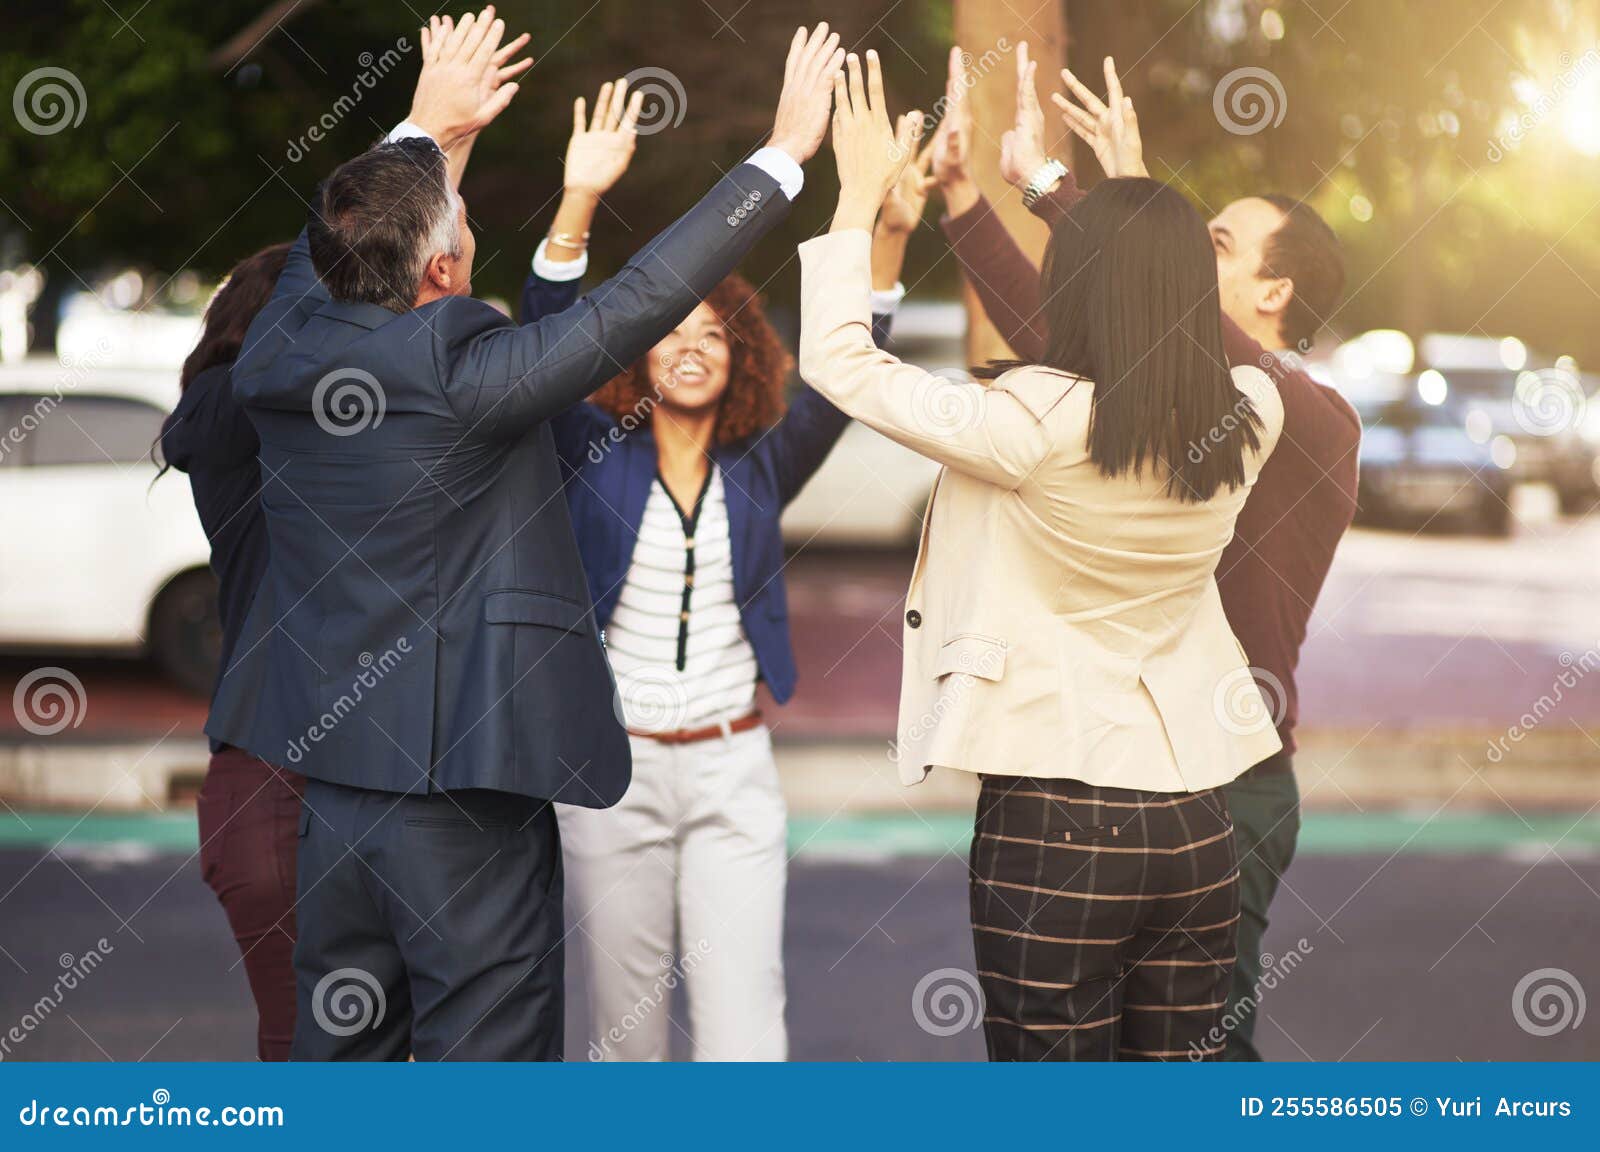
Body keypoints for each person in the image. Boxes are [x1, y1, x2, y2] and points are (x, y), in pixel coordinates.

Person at [208, 10, 847, 1061]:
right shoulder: (470, 380)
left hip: (333, 801)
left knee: (342, 1075)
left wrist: (427, 122)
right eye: (455, 221)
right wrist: (780, 157)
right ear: (449, 277)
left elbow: (345, 246)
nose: (461, 221)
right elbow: (643, 299)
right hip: (464, 802)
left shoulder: (280, 354)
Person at [799, 51, 1285, 1061]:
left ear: (1076, 285)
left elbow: (841, 360)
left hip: (1056, 818)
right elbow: (1188, 319)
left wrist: (853, 192)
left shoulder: (1029, 420)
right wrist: (1103, 189)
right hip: (1198, 816)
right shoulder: (1249, 416)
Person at [932, 43, 1360, 1060]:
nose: (1180, 258)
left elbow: (1148, 299)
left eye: (1212, 242)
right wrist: (960, 200)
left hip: (1228, 775)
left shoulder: (1306, 415)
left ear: (1274, 293)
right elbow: (1071, 314)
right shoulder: (1187, 395)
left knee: (1203, 1066)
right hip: (1128, 767)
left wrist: (1062, 187)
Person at [517, 81, 929, 1061]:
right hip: (609, 768)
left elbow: (847, 367)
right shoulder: (587, 444)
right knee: (625, 1035)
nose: (692, 345)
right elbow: (545, 326)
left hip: (732, 765)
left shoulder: (764, 462)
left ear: (739, 354)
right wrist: (579, 197)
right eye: (670, 326)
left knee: (747, 1029)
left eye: (714, 332)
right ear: (636, 343)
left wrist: (887, 236)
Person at [159, 241, 299, 1060]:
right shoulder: (224, 406)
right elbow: (199, 426)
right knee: (303, 1040)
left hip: (385, 758)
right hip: (269, 755)